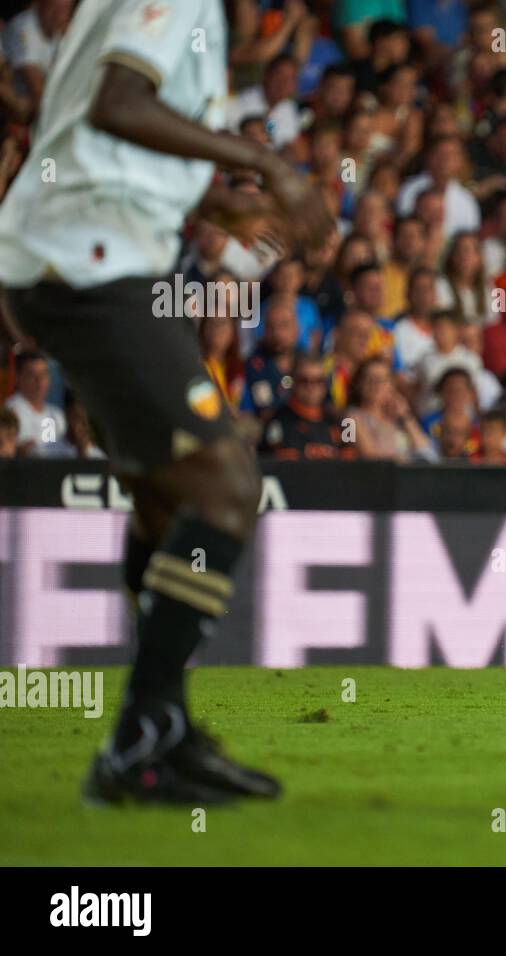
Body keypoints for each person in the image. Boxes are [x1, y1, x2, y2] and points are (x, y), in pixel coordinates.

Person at [0, 0, 334, 805]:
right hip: (87, 268)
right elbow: (119, 104)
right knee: (223, 491)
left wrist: (211, 201)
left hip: (87, 259)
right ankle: (139, 738)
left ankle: (161, 730)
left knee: (163, 502)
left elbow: (86, 124)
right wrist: (272, 166)